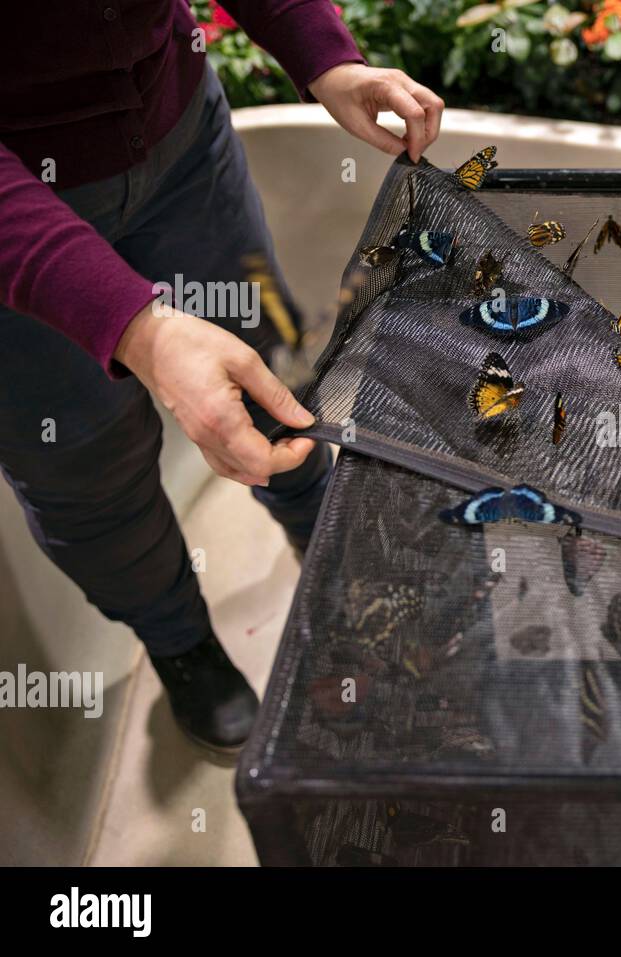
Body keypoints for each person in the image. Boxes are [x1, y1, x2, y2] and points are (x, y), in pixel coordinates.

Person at [0, 2, 444, 751]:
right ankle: (180, 643)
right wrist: (136, 327)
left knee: (271, 376)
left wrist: (324, 55)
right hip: (16, 232)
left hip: (180, 142)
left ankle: (328, 542)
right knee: (83, 462)